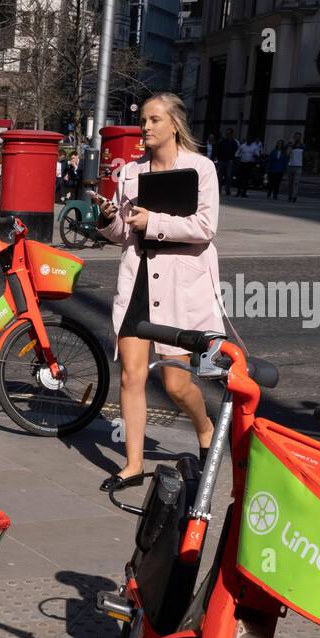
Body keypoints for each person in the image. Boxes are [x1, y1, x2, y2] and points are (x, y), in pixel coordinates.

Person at [94, 92, 224, 493]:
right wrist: (109, 218)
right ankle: (133, 464)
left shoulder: (200, 169)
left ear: (173, 124)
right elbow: (121, 236)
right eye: (143, 121)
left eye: (153, 120)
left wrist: (154, 221)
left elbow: (205, 228)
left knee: (174, 384)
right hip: (138, 278)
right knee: (132, 376)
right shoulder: (130, 173)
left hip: (178, 284)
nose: (145, 128)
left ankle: (205, 428)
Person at [215, 128, 238, 196]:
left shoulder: (234, 142)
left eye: (228, 134)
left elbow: (235, 151)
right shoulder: (222, 141)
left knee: (228, 176)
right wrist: (218, 158)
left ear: (231, 134)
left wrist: (232, 158)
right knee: (220, 176)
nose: (227, 135)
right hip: (221, 160)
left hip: (229, 161)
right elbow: (218, 150)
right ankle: (218, 190)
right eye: (226, 134)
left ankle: (227, 190)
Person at [286, 133, 304, 202]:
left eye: (298, 137)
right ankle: (290, 195)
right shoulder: (290, 144)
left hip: (299, 166)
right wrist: (291, 145)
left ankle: (294, 196)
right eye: (296, 137)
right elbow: (287, 154)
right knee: (290, 182)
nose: (297, 138)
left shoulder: (302, 145)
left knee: (296, 182)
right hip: (291, 165)